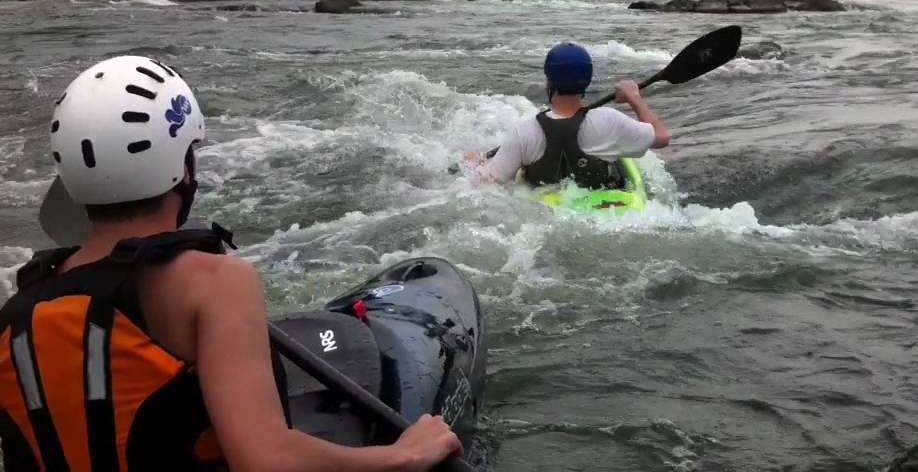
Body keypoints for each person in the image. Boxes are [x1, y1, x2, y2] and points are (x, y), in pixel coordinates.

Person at [0, 56, 460, 471]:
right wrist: (404, 455)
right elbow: (265, 462)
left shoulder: (19, 308)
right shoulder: (214, 281)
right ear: (183, 169)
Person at [475, 42, 670, 187]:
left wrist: (477, 163)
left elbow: (487, 185)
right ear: (587, 80)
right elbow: (662, 137)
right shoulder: (610, 121)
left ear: (549, 81)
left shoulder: (523, 133)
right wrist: (634, 98)